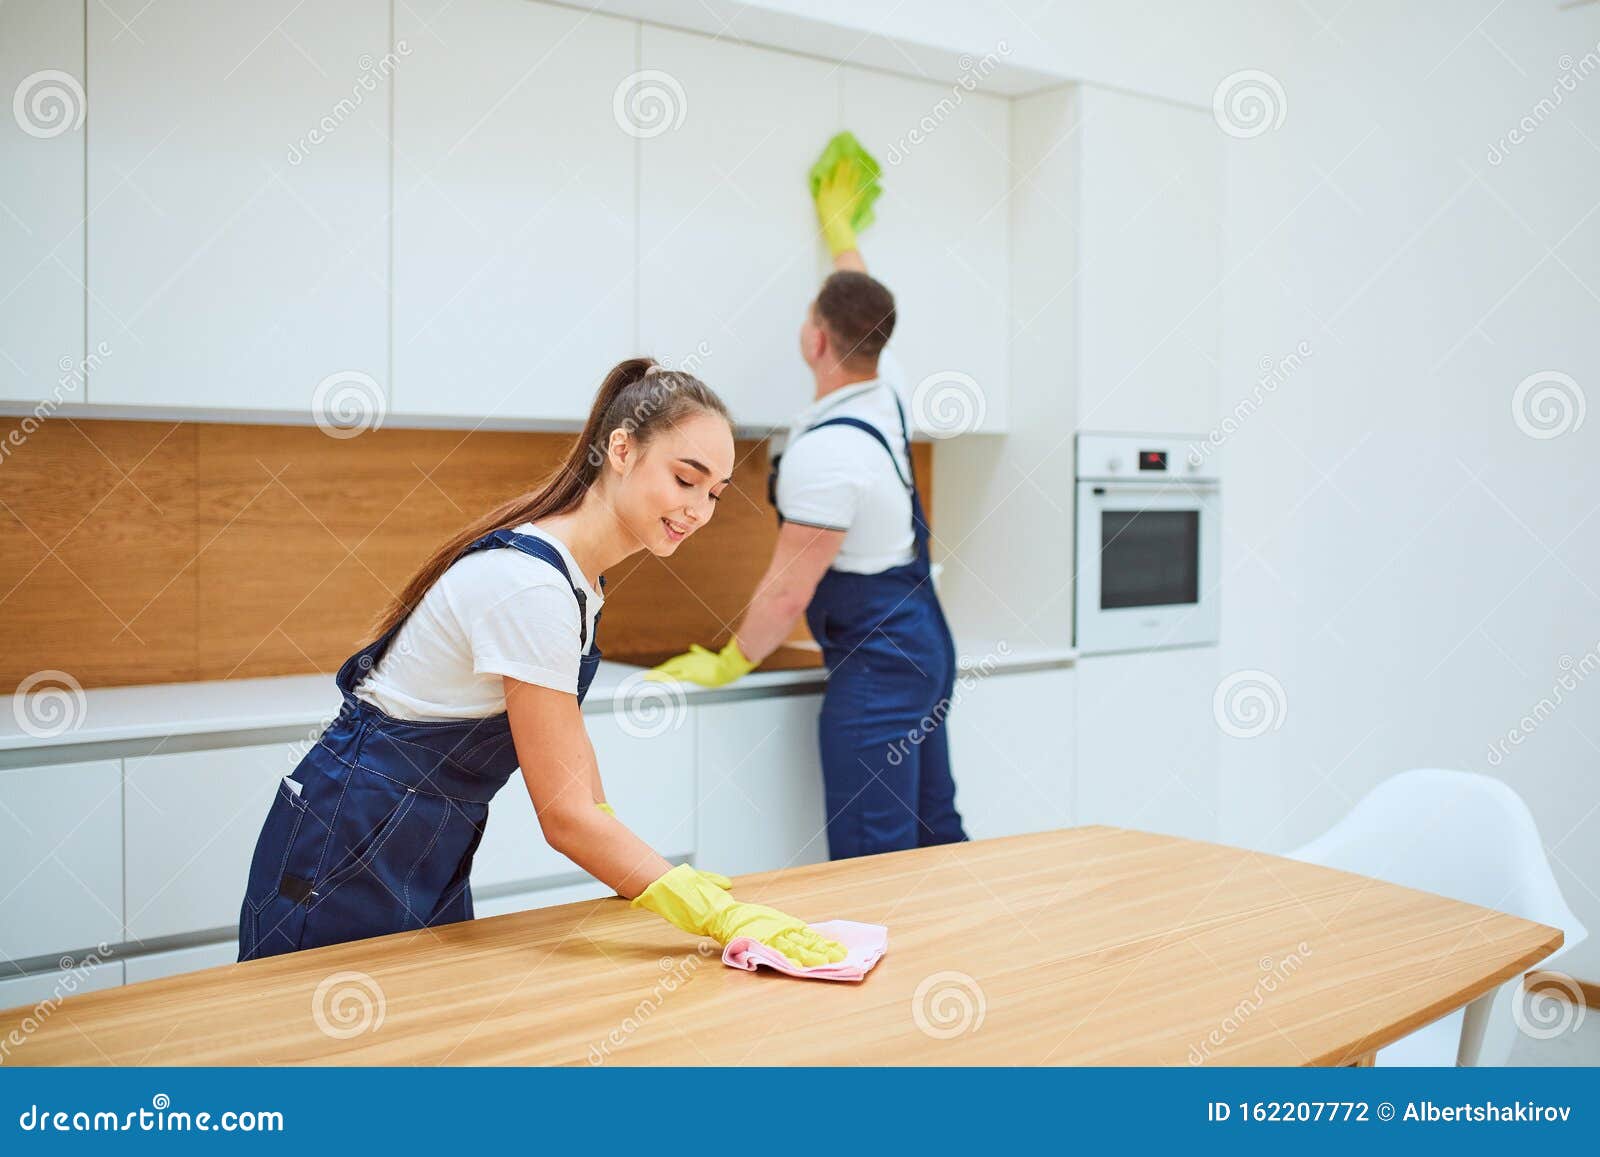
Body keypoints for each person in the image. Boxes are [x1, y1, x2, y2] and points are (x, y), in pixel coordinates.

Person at [236, 358, 846, 966]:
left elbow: (582, 785)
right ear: (623, 449)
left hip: (427, 842)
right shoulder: (531, 586)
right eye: (685, 479)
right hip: (347, 841)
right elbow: (566, 817)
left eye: (714, 492)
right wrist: (706, 912)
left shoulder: (579, 582)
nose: (699, 510)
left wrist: (653, 880)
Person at [650, 157, 969, 860]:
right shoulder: (888, 389)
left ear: (816, 339)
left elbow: (790, 584)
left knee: (871, 853)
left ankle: (887, 968)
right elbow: (858, 300)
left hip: (881, 666)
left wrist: (731, 661)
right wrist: (841, 233)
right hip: (924, 643)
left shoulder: (826, 457)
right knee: (935, 837)